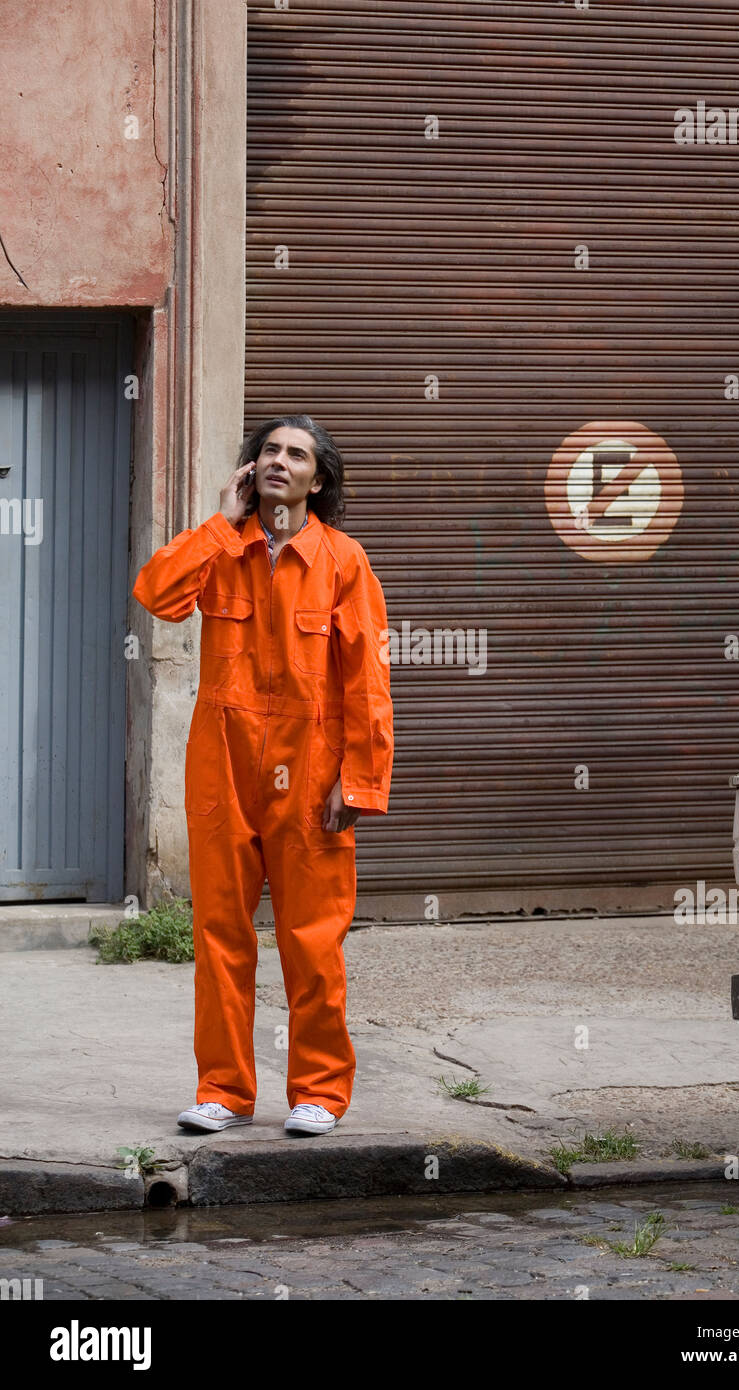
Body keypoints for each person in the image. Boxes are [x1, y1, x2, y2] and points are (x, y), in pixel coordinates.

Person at [132, 414, 394, 1136]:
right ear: (250, 470)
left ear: (319, 478)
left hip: (309, 770)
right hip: (223, 765)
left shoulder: (343, 562)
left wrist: (359, 780)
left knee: (312, 938)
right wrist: (221, 522)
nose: (280, 460)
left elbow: (368, 681)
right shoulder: (223, 550)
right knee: (220, 933)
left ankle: (319, 1092)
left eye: (297, 454)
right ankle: (223, 1090)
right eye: (269, 450)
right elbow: (156, 594)